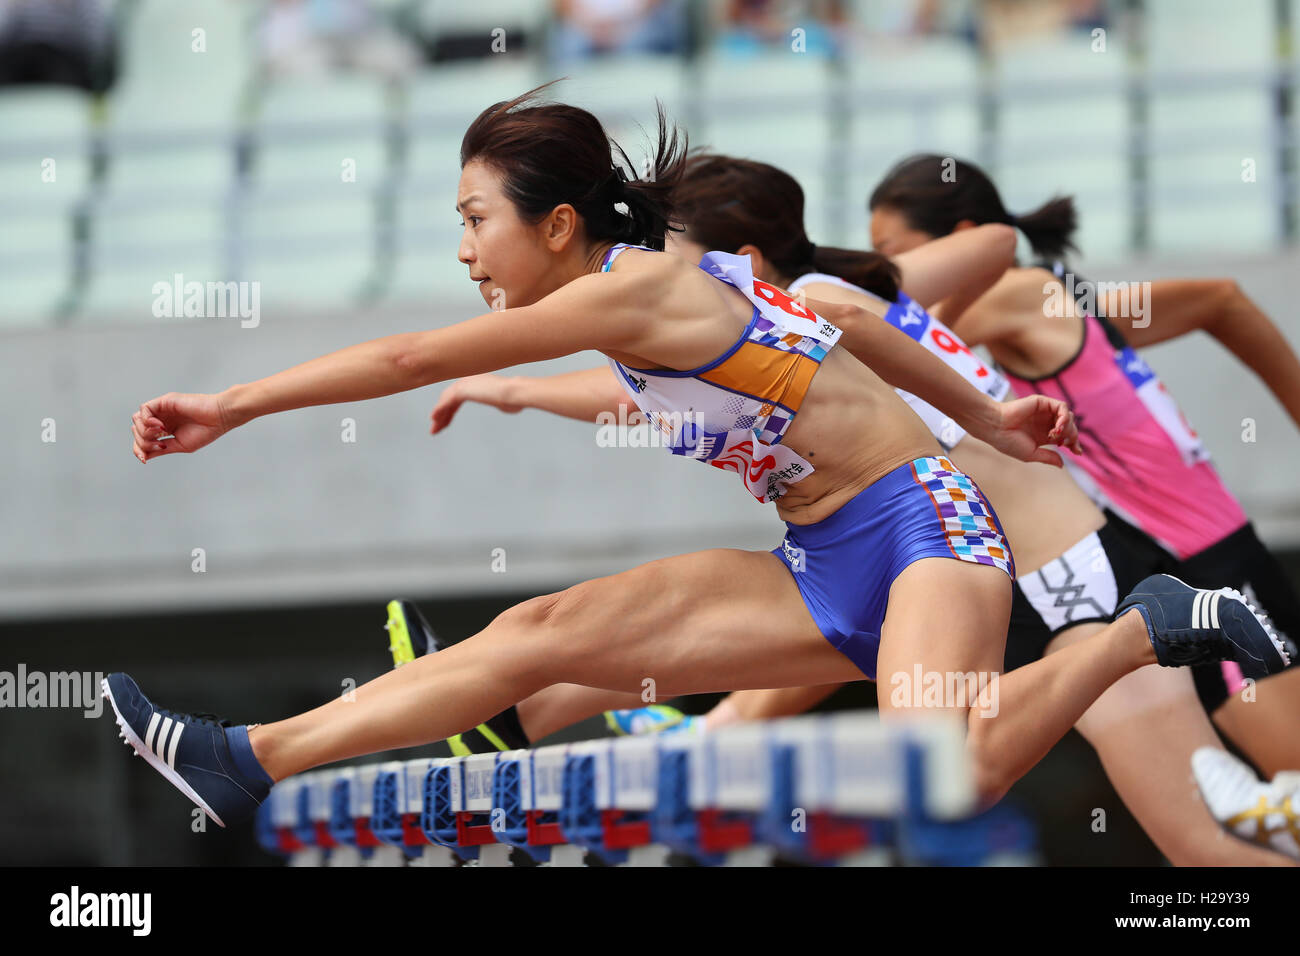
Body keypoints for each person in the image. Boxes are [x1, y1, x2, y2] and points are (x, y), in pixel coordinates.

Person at [107, 89, 1283, 829]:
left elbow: (413, 352)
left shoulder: (641, 290)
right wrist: (990, 411)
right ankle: (246, 757)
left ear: (556, 222)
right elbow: (857, 326)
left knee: (947, 773)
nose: (463, 246)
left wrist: (235, 401)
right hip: (820, 553)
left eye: (475, 218)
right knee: (537, 635)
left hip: (927, 525)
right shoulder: (646, 306)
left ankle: (1148, 621)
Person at [422, 154, 1296, 864]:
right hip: (984, 567)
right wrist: (514, 391)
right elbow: (648, 397)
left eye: (664, 258)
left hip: (1072, 572)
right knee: (830, 622)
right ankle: (545, 711)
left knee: (1197, 848)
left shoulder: (814, 309)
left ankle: (656, 738)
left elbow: (989, 244)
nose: (644, 286)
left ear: (745, 264)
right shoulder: (825, 303)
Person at [866, 153, 1300, 780]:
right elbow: (1222, 301)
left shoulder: (1008, 295)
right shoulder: (1054, 299)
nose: (880, 272)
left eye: (886, 252)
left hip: (1206, 566)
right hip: (1195, 563)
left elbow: (890, 340)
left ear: (961, 241)